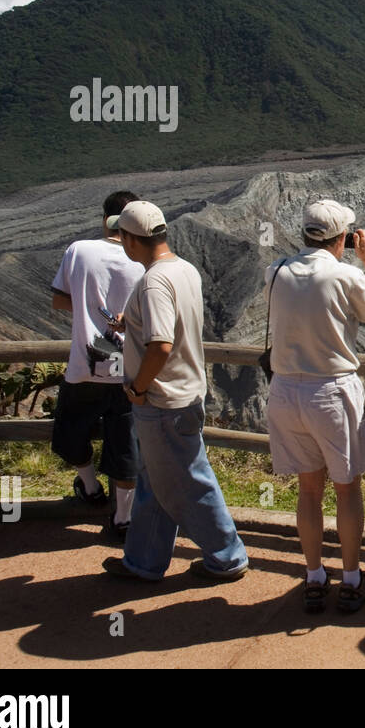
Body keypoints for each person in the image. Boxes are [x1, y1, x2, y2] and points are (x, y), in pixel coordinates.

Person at [102, 201, 249, 582]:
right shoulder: (184, 269)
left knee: (190, 482)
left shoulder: (152, 282)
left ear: (133, 241)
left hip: (162, 402)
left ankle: (227, 558)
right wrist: (130, 321)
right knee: (156, 482)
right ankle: (143, 562)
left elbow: (161, 345)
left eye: (123, 237)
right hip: (183, 396)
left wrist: (137, 387)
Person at [265, 200, 365, 614]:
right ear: (344, 238)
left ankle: (315, 576)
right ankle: (353, 580)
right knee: (346, 488)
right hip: (331, 394)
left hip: (285, 392)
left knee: (308, 489)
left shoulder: (276, 271)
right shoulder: (346, 275)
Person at [49, 191, 146, 539]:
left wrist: (90, 305)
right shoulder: (144, 260)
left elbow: (59, 301)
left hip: (84, 368)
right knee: (126, 447)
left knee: (69, 433)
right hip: (131, 371)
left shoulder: (79, 250)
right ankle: (123, 519)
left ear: (103, 219)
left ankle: (90, 488)